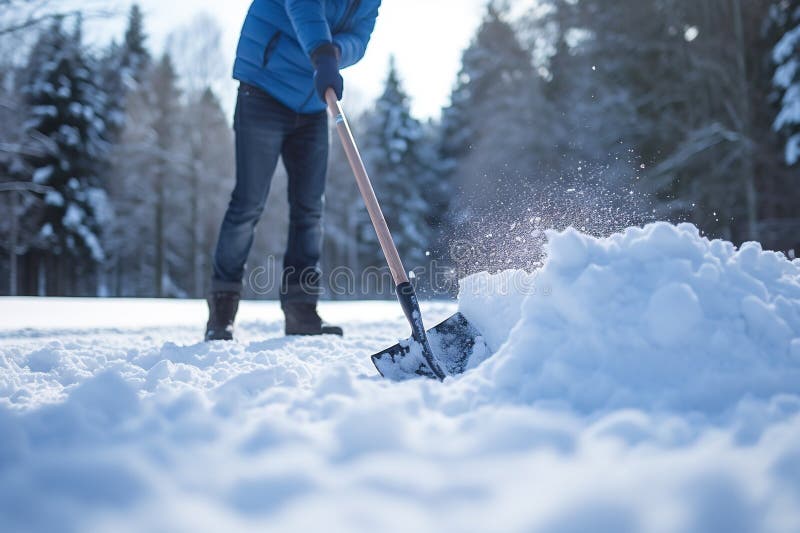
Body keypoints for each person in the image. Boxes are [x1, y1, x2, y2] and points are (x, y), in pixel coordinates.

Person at [205, 0, 381, 341]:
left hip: (314, 102)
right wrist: (322, 51)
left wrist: (335, 52)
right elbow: (303, 7)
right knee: (248, 203)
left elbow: (361, 37)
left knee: (310, 211)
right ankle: (221, 313)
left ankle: (301, 311)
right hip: (264, 87)